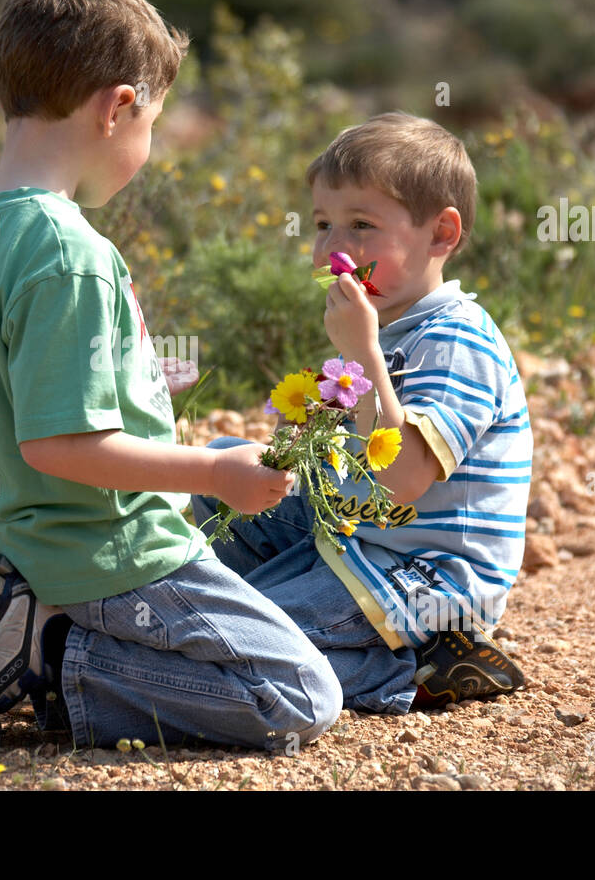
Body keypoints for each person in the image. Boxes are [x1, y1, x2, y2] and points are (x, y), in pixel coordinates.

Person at [0, 0, 342, 752]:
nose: (148, 149)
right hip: (110, 553)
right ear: (119, 108)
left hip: (34, 543)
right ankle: (48, 656)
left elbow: (30, 394)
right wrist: (216, 474)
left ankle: (31, 625)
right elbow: (59, 444)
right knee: (298, 694)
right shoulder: (69, 251)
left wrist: (138, 374)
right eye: (152, 126)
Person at [192, 113, 530, 711]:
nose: (332, 245)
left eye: (362, 224)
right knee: (221, 467)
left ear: (441, 233)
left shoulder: (458, 340)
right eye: (323, 223)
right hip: (353, 542)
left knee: (251, 638)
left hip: (425, 575)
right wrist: (296, 441)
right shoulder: (382, 333)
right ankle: (215, 607)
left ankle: (408, 667)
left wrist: (362, 353)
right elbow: (331, 468)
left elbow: (400, 483)